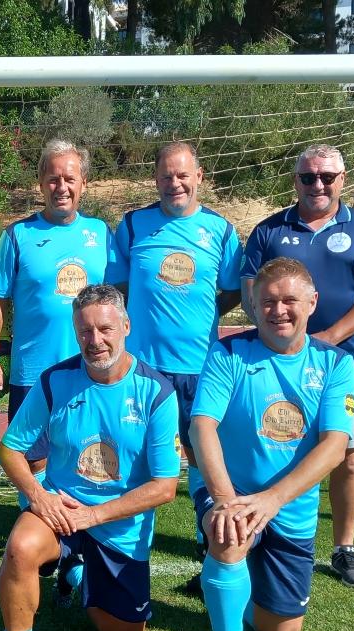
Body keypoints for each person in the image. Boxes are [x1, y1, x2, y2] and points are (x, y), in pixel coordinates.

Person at [0, 284, 180, 631]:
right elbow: (10, 448)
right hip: (60, 509)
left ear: (126, 327)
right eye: (84, 331)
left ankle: (76, 574)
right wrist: (38, 497)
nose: (95, 341)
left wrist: (93, 517)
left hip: (116, 523)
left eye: (104, 329)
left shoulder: (156, 392)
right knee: (21, 548)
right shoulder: (55, 380)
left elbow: (164, 487)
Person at [191, 257, 354, 631]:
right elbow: (202, 427)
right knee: (230, 534)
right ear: (252, 305)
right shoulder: (228, 354)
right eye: (267, 301)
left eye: (289, 301)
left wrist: (272, 500)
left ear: (312, 303)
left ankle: (233, 590)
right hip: (230, 489)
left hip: (289, 504)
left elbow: (334, 446)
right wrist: (226, 499)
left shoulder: (335, 365)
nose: (278, 310)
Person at [240, 144, 354, 589]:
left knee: (346, 457)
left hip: (344, 361)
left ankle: (344, 548)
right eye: (308, 177)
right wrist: (289, 342)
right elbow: (252, 293)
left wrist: (323, 341)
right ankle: (254, 535)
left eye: (327, 176)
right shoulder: (269, 230)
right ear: (296, 181)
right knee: (266, 443)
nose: (318, 185)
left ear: (343, 177)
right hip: (274, 362)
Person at [105, 141, 243, 595]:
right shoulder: (132, 226)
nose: (174, 183)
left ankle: (212, 550)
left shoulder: (220, 232)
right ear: (155, 179)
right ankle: (117, 553)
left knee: (206, 461)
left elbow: (229, 292)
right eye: (166, 175)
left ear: (199, 176)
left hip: (200, 369)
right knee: (134, 459)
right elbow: (118, 288)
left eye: (183, 175)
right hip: (144, 370)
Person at [0, 140, 116, 598]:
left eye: (70, 178)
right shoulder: (18, 235)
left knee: (83, 455)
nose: (62, 186)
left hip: (92, 371)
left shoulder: (101, 233)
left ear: (84, 184)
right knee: (33, 460)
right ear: (41, 183)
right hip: (33, 372)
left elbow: (117, 299)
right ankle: (52, 543)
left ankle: (77, 549)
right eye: (53, 177)